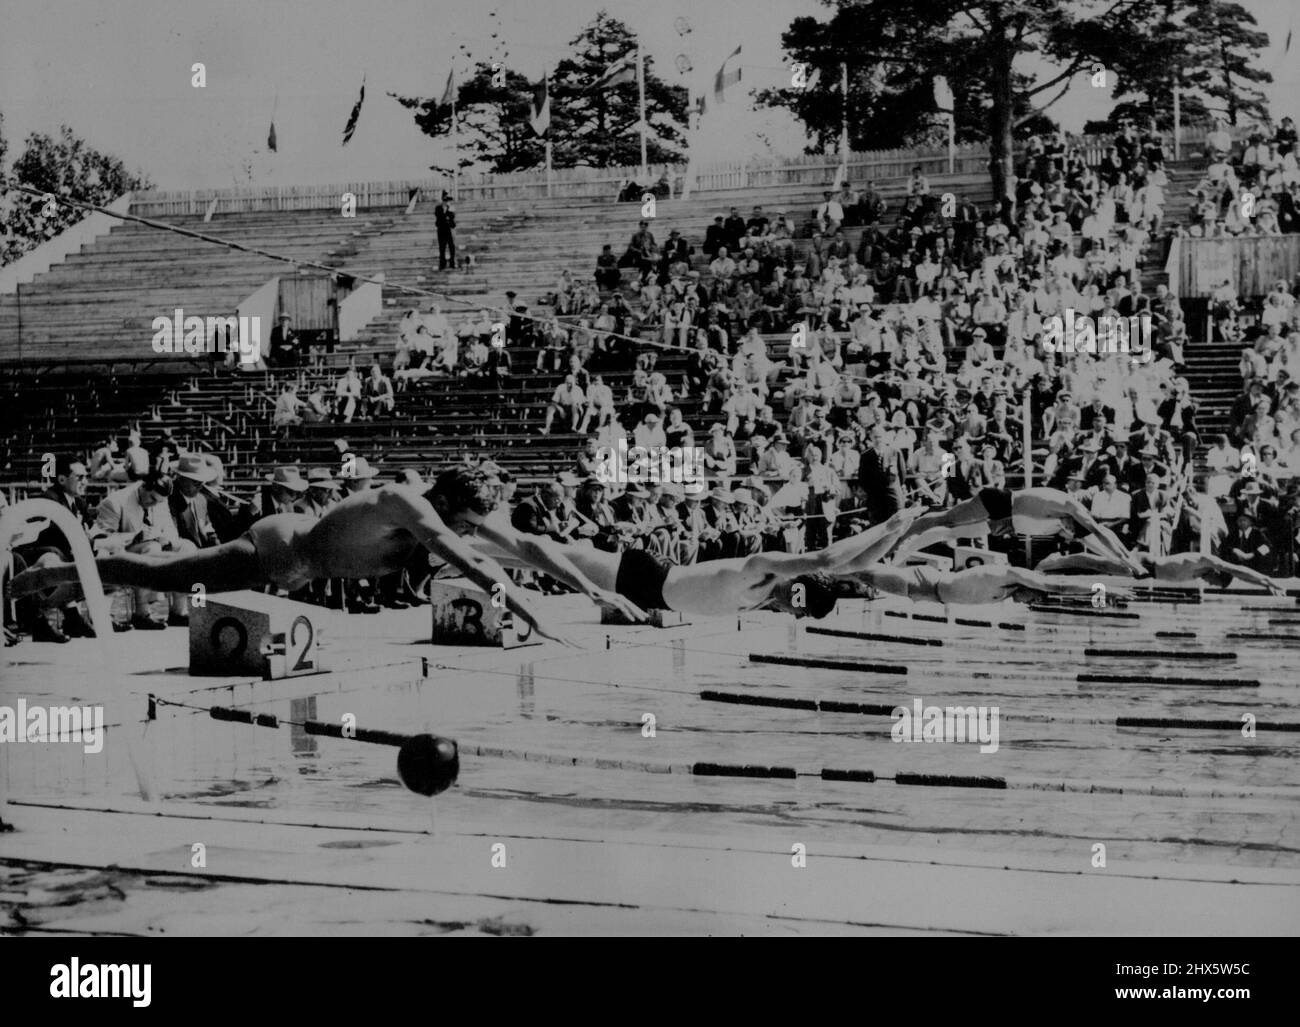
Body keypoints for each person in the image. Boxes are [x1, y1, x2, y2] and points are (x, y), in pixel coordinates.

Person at [10, 470, 644, 645]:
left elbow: (529, 545)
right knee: (151, 571)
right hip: (276, 547)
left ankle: (61, 583)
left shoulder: (454, 515)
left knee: (155, 572)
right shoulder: (407, 502)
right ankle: (53, 573)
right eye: (468, 520)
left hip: (301, 568)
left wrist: (594, 593)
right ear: (447, 502)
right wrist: (521, 602)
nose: (475, 530)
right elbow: (458, 550)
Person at [477, 496, 928, 618]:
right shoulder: (762, 569)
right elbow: (830, 560)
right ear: (797, 586)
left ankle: (457, 546)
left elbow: (855, 567)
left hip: (650, 590)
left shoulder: (775, 594)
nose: (793, 616)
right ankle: (455, 534)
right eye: (800, 608)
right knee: (536, 552)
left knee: (533, 559)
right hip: (642, 575)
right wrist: (887, 525)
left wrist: (899, 533)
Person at [892, 485, 1147, 574]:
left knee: (951, 533)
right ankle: (899, 533)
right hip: (1000, 501)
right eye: (1069, 529)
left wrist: (1126, 563)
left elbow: (1096, 541)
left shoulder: (1070, 521)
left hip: (1007, 520)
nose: (1066, 532)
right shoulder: (1071, 507)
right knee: (946, 520)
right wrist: (1129, 561)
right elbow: (1101, 531)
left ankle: (902, 550)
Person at [842, 562, 1135, 606]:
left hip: (929, 591)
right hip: (923, 581)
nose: (1031, 602)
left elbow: (1058, 597)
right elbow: (1057, 586)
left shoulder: (1011, 592)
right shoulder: (1015, 575)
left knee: (857, 574)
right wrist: (1102, 589)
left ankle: (820, 568)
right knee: (857, 572)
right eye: (1034, 599)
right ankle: (815, 565)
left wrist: (1096, 600)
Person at [1036, 549, 1286, 596]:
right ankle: (1056, 560)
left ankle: (1057, 561)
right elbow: (1239, 570)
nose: (1208, 584)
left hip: (1147, 572)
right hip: (1146, 563)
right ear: (1217, 575)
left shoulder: (1201, 573)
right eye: (1214, 583)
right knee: (1099, 564)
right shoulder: (1205, 561)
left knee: (1099, 565)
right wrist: (1267, 581)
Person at [435, 193, 456, 270]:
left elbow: (452, 218)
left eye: (446, 200)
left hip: (448, 230)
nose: (445, 202)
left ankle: (452, 263)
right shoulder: (438, 208)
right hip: (441, 230)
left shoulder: (450, 208)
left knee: (451, 247)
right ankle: (442, 264)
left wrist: (449, 215)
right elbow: (439, 217)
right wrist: (446, 216)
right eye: (444, 200)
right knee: (442, 248)